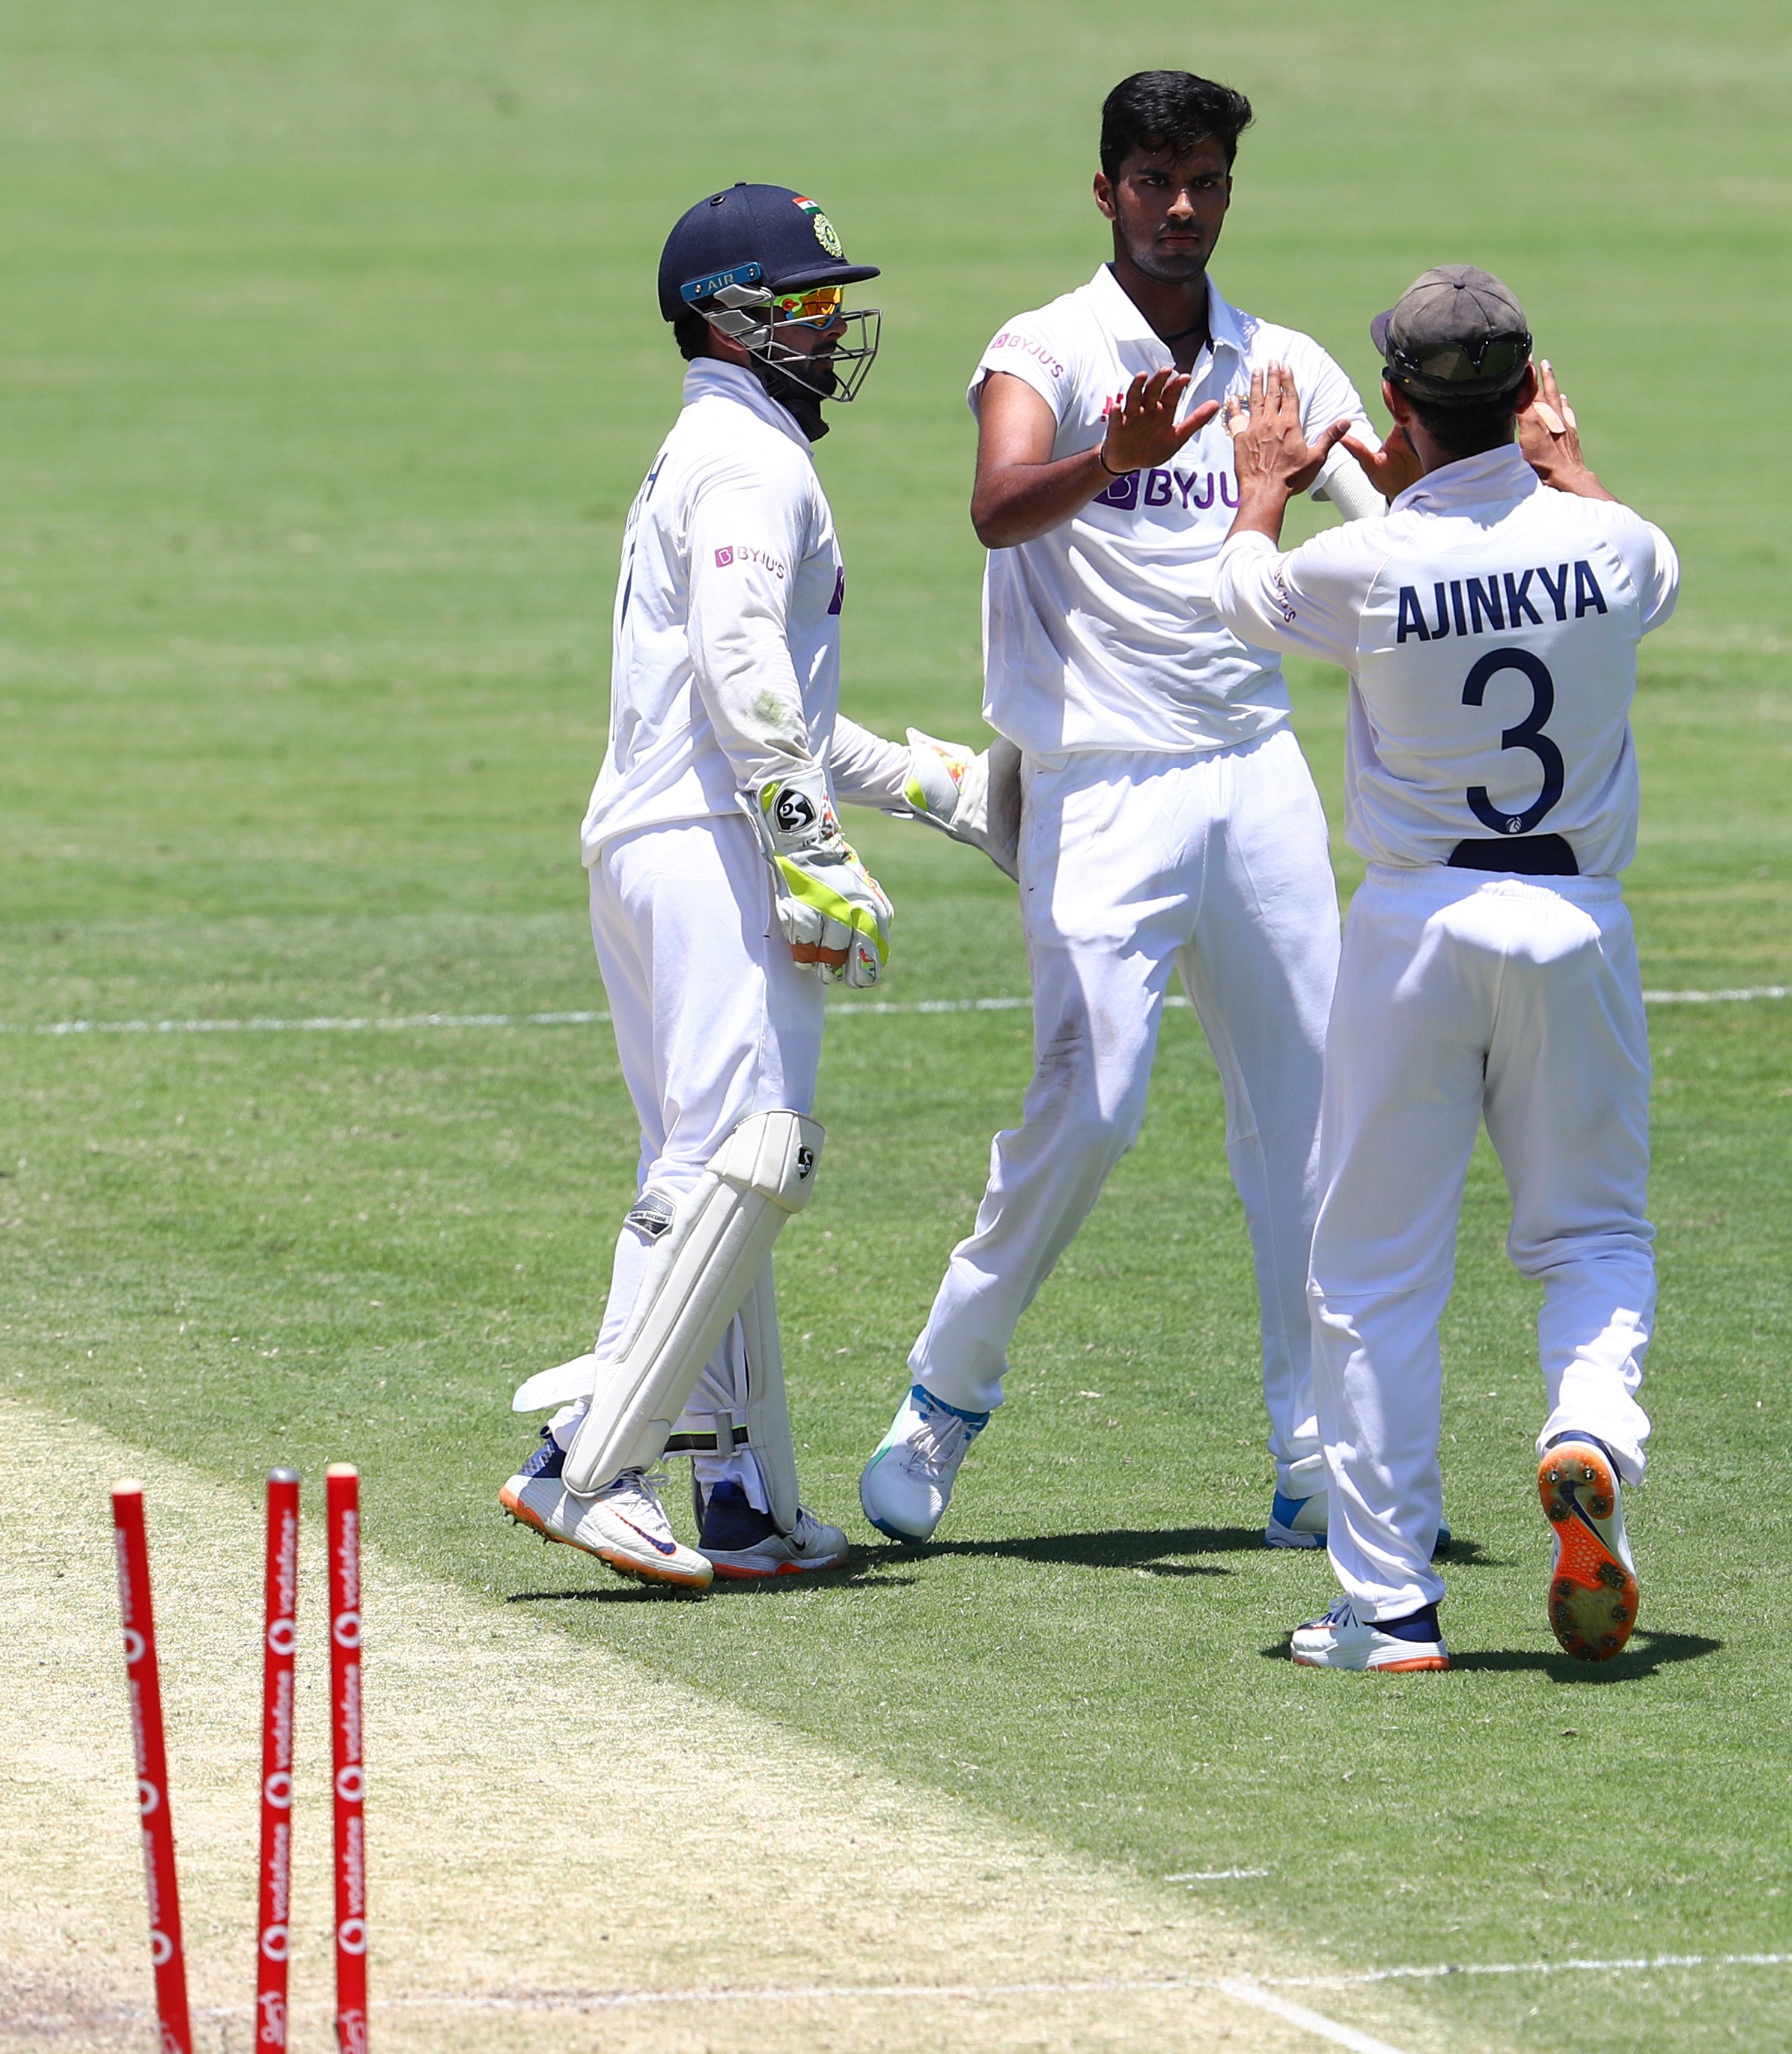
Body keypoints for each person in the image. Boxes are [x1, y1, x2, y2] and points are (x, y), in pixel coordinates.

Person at [860, 70, 1386, 1553]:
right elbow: (995, 499)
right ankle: (945, 1392)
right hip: (1101, 781)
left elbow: (1392, 512)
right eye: (1154, 181)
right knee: (1092, 1105)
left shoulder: (1278, 362)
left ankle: (1312, 1447)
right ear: (1105, 191)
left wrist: (1501, 481)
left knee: (1309, 1120)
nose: (1180, 208)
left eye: (1205, 180)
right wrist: (1119, 462)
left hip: (1253, 771)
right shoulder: (1048, 345)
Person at [501, 183, 1005, 1592]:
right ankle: (587, 1466)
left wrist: (929, 789)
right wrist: (805, 841)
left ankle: (736, 1494)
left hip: (665, 834)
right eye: (805, 299)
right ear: (727, 317)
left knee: (719, 1160)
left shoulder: (725, 448)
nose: (833, 319)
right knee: (740, 1154)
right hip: (709, 840)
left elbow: (768, 689)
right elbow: (741, 668)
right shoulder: (746, 465)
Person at [1211, 266, 1678, 1671]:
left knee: (1369, 1279)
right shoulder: (1614, 546)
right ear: (1529, 393)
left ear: (1398, 406)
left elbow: (1245, 596)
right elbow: (1614, 546)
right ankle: (1585, 1427)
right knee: (1592, 1236)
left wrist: (1259, 483)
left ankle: (1388, 1606)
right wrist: (1564, 455)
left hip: (1414, 928)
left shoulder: (1361, 566)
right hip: (1574, 922)